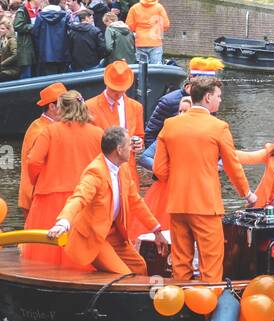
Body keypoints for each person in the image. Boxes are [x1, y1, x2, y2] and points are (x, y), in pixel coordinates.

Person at [154, 77, 256, 282]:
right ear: (208, 97)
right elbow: (232, 165)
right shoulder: (219, 127)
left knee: (180, 264)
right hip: (206, 206)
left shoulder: (170, 124)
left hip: (177, 205)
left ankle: (182, 309)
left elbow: (160, 169)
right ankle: (208, 310)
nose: (220, 100)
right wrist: (247, 194)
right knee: (210, 265)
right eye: (218, 96)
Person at [46, 126, 166, 274]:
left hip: (115, 234)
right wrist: (63, 222)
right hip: (94, 237)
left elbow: (136, 202)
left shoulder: (123, 168)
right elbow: (79, 197)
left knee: (140, 268)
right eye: (129, 145)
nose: (133, 148)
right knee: (123, 275)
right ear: (119, 150)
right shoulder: (96, 172)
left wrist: (156, 230)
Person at [22, 90, 104, 263]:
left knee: (44, 255)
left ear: (62, 109)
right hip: (83, 199)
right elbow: (104, 167)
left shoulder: (50, 131)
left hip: (49, 198)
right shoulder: (98, 134)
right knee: (79, 252)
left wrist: (39, 180)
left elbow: (34, 162)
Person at [86, 61, 145, 160]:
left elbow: (139, 135)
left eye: (121, 90)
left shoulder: (136, 107)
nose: (117, 94)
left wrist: (139, 142)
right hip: (101, 165)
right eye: (114, 90)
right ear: (106, 84)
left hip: (127, 169)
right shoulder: (89, 107)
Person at [125, 0, 171, 66]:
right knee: (156, 68)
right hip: (155, 42)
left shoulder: (134, 8)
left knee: (142, 69)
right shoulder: (159, 7)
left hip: (140, 42)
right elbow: (166, 24)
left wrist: (138, 30)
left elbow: (129, 26)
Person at [31, 0, 70, 75]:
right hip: (62, 53)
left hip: (46, 54)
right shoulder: (65, 16)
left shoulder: (41, 16)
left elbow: (35, 33)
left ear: (47, 0)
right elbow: (69, 33)